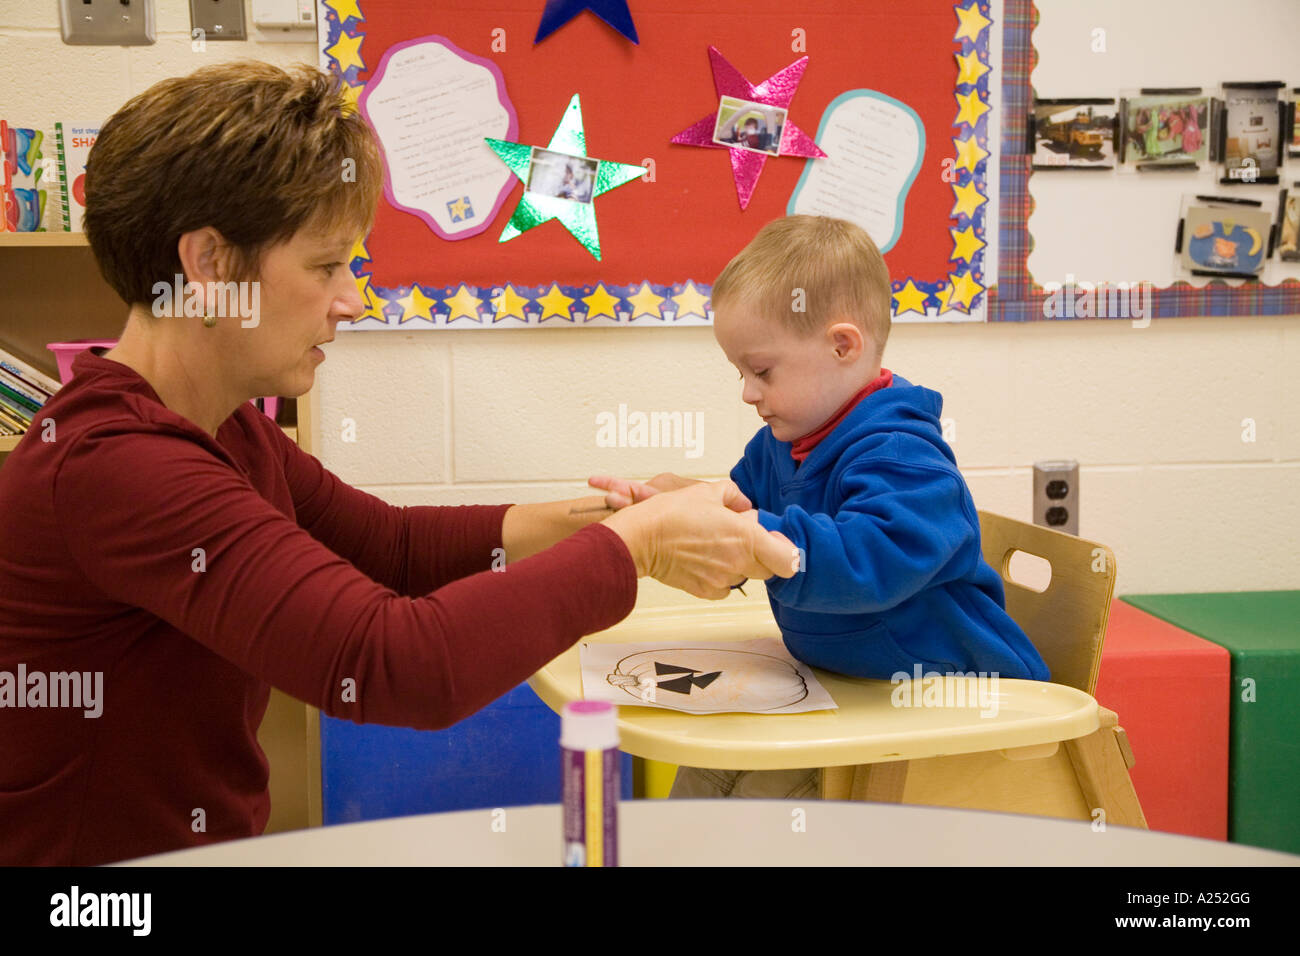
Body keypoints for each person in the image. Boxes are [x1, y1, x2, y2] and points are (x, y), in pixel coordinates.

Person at [0, 61, 796, 865]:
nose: (352, 300)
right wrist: (641, 545)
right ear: (209, 265)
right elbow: (397, 664)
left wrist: (615, 518)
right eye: (324, 267)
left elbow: (392, 548)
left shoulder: (222, 428)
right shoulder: (119, 468)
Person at [591, 215, 1049, 799]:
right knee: (701, 781)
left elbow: (870, 561)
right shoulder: (780, 445)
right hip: (851, 687)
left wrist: (752, 534)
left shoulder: (904, 455)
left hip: (947, 698)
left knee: (765, 808)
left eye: (761, 371)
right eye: (739, 372)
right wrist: (678, 504)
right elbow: (740, 516)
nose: (747, 392)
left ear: (842, 345)